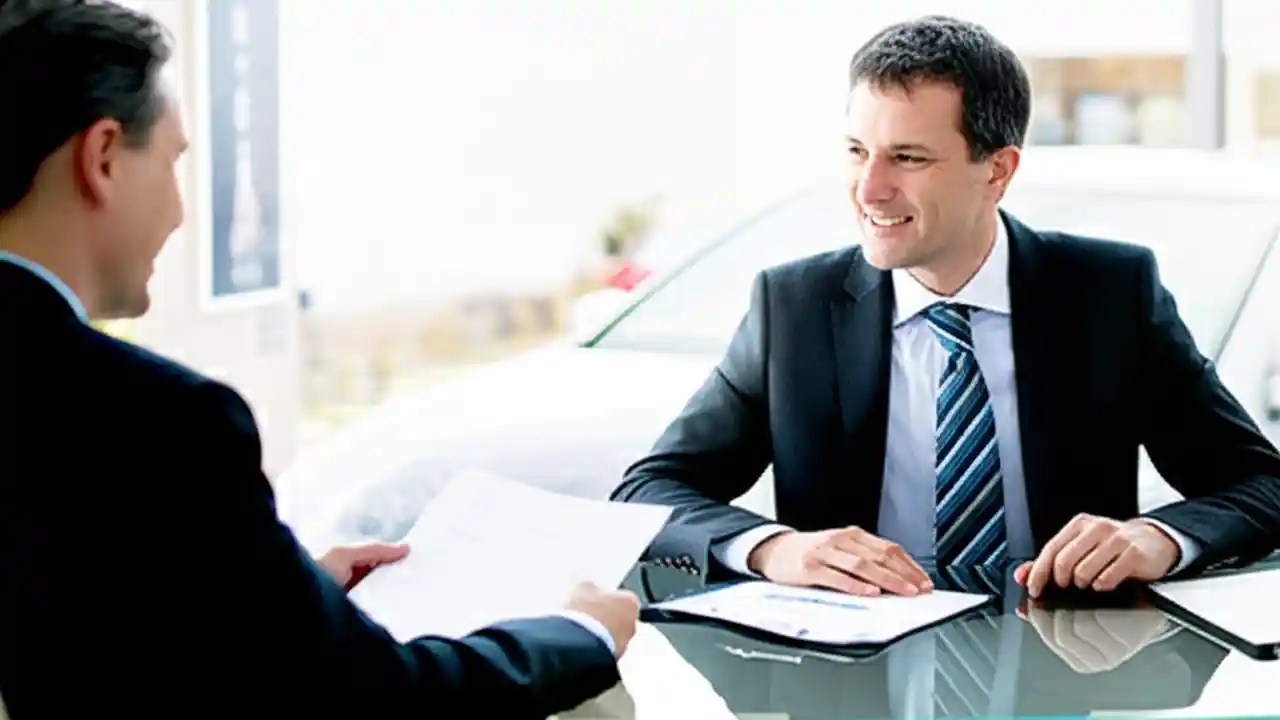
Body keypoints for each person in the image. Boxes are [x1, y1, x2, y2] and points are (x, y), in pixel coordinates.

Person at [0, 1, 637, 716]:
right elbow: (376, 703)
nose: (180, 211)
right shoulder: (156, 420)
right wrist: (577, 632)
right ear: (104, 156)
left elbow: (92, 629)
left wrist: (270, 597)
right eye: (175, 161)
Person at [612, 15, 1280, 601]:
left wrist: (1158, 538)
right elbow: (649, 492)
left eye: (907, 157)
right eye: (856, 152)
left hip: (1067, 677)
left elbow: (1262, 486)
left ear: (998, 170)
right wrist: (775, 548)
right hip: (850, 686)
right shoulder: (795, 309)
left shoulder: (1110, 294)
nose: (869, 189)